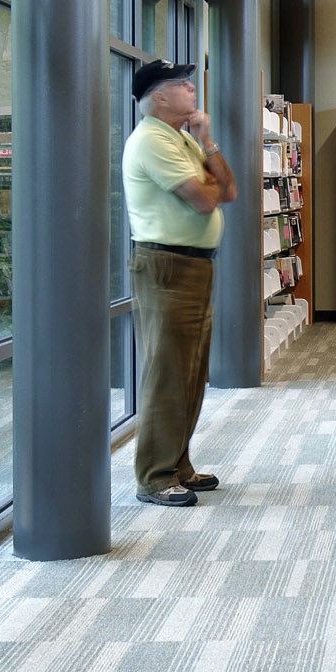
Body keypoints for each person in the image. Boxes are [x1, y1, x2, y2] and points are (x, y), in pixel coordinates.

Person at [121, 59, 234, 507]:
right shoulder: (151, 140)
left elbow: (229, 191)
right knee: (167, 373)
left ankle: (178, 465)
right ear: (159, 97)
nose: (191, 88)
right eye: (181, 84)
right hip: (166, 266)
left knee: (190, 372)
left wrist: (207, 142)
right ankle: (154, 476)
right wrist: (209, 172)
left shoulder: (182, 138)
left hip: (194, 264)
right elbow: (207, 199)